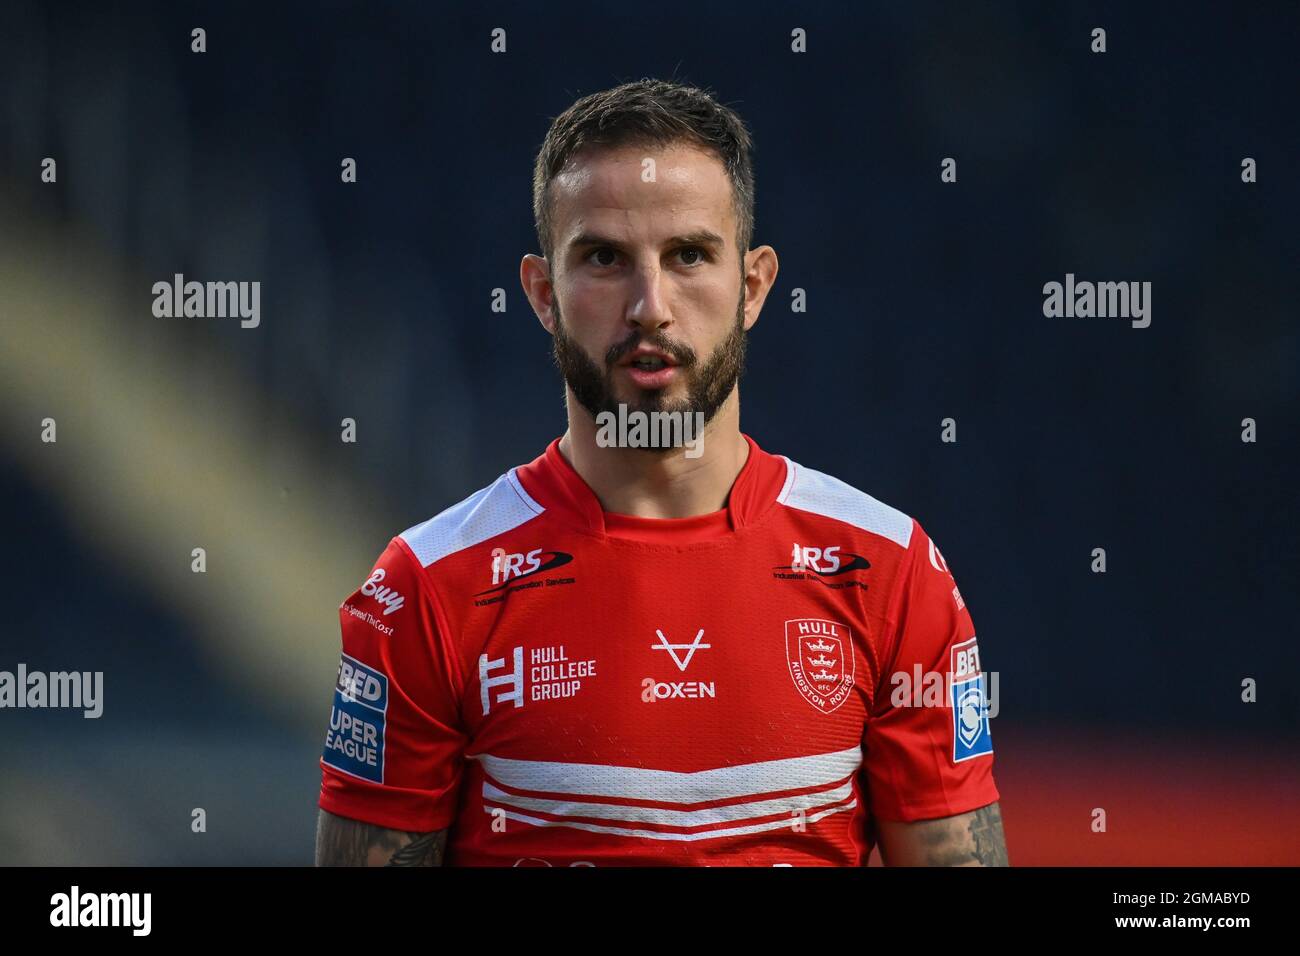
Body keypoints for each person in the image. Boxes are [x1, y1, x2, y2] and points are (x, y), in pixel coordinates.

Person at [315, 78, 1006, 866]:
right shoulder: (424, 591)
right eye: (605, 257)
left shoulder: (893, 573)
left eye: (689, 255)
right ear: (543, 295)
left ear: (753, 287)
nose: (650, 305)